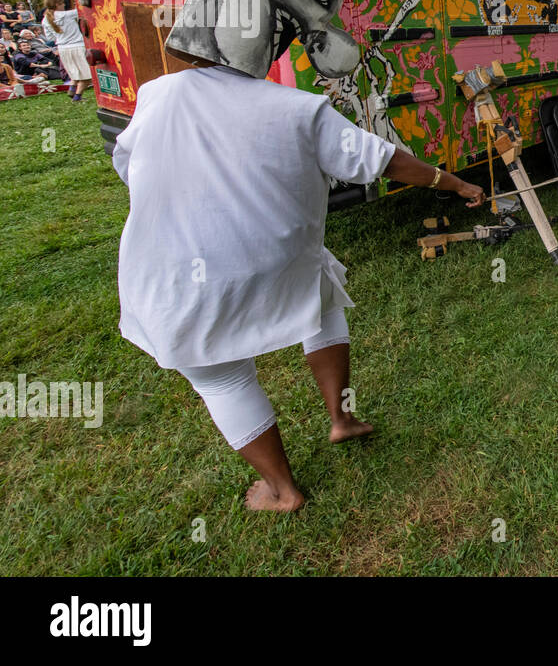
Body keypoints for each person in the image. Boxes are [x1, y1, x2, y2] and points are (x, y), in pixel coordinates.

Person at [114, 57, 486, 511]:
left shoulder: (157, 92)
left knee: (223, 377)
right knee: (316, 292)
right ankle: (332, 429)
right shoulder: (298, 107)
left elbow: (127, 164)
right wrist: (456, 184)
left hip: (169, 276)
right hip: (268, 260)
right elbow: (384, 160)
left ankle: (284, 485)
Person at [41, 0, 92, 101]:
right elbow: (84, 9)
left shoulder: (45, 19)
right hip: (77, 46)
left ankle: (72, 88)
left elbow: (50, 37)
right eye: (62, 3)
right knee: (87, 74)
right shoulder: (67, 15)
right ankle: (77, 96)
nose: (64, 5)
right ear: (57, 5)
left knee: (75, 71)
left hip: (63, 48)